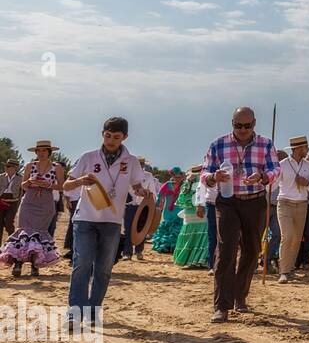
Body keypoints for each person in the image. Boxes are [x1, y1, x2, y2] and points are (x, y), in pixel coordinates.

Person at [63, 119, 148, 328]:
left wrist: (142, 192)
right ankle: (74, 313)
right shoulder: (88, 157)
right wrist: (80, 181)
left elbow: (136, 185)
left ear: (124, 137)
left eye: (116, 137)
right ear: (102, 134)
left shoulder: (132, 161)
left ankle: (93, 311)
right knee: (81, 263)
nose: (111, 141)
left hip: (112, 221)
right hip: (85, 218)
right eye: (107, 136)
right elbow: (66, 184)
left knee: (103, 268)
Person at [203, 107, 281, 324]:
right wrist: (213, 176)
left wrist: (263, 176)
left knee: (252, 250)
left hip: (255, 201)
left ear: (254, 124)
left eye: (247, 126)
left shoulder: (265, 144)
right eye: (238, 126)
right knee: (225, 250)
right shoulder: (218, 144)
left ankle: (240, 296)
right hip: (227, 201)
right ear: (232, 123)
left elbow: (275, 169)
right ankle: (221, 306)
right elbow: (205, 172)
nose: (243, 130)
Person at [1, 140, 64, 276]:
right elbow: (23, 186)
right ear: (35, 152)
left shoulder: (56, 167)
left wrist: (48, 185)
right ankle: (18, 263)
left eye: (44, 150)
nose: (41, 153)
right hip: (29, 200)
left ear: (49, 152)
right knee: (23, 231)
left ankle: (35, 265)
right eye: (39, 151)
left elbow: (62, 186)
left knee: (38, 233)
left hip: (46, 201)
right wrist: (29, 182)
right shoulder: (30, 165)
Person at [275, 137, 309, 284]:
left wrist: (307, 183)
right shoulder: (282, 165)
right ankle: (284, 271)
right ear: (298, 149)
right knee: (288, 236)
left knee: (297, 239)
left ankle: (290, 268)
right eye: (306, 147)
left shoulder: (308, 165)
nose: (308, 150)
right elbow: (273, 184)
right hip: (285, 203)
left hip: (302, 204)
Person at [173, 166, 211, 269]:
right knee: (201, 235)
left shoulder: (189, 182)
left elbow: (182, 198)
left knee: (192, 234)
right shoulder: (195, 181)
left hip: (195, 211)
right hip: (196, 211)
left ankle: (194, 260)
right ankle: (198, 260)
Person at [151, 167, 185, 253]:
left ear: (182, 177)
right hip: (168, 211)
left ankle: (175, 247)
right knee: (166, 226)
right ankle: (164, 246)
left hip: (180, 210)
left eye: (179, 177)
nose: (177, 179)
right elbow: (160, 196)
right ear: (172, 176)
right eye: (175, 177)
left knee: (178, 227)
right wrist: (157, 207)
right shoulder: (167, 184)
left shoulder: (185, 185)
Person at [1, 159, 22, 246]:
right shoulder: (1, 176)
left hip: (13, 202)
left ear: (15, 168)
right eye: (5, 166)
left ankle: (12, 243)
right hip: (1, 201)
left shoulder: (21, 178)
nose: (6, 167)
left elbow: (22, 192)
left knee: (9, 222)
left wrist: (18, 202)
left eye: (8, 166)